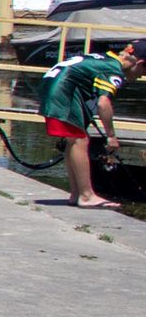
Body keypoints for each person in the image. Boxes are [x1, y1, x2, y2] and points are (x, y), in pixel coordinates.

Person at [41, 38, 141, 211]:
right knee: (80, 140)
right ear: (139, 63)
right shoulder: (114, 70)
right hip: (62, 92)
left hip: (52, 87)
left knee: (75, 140)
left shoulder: (103, 58)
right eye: (143, 70)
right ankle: (87, 195)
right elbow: (103, 104)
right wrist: (111, 136)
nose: (141, 76)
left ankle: (76, 193)